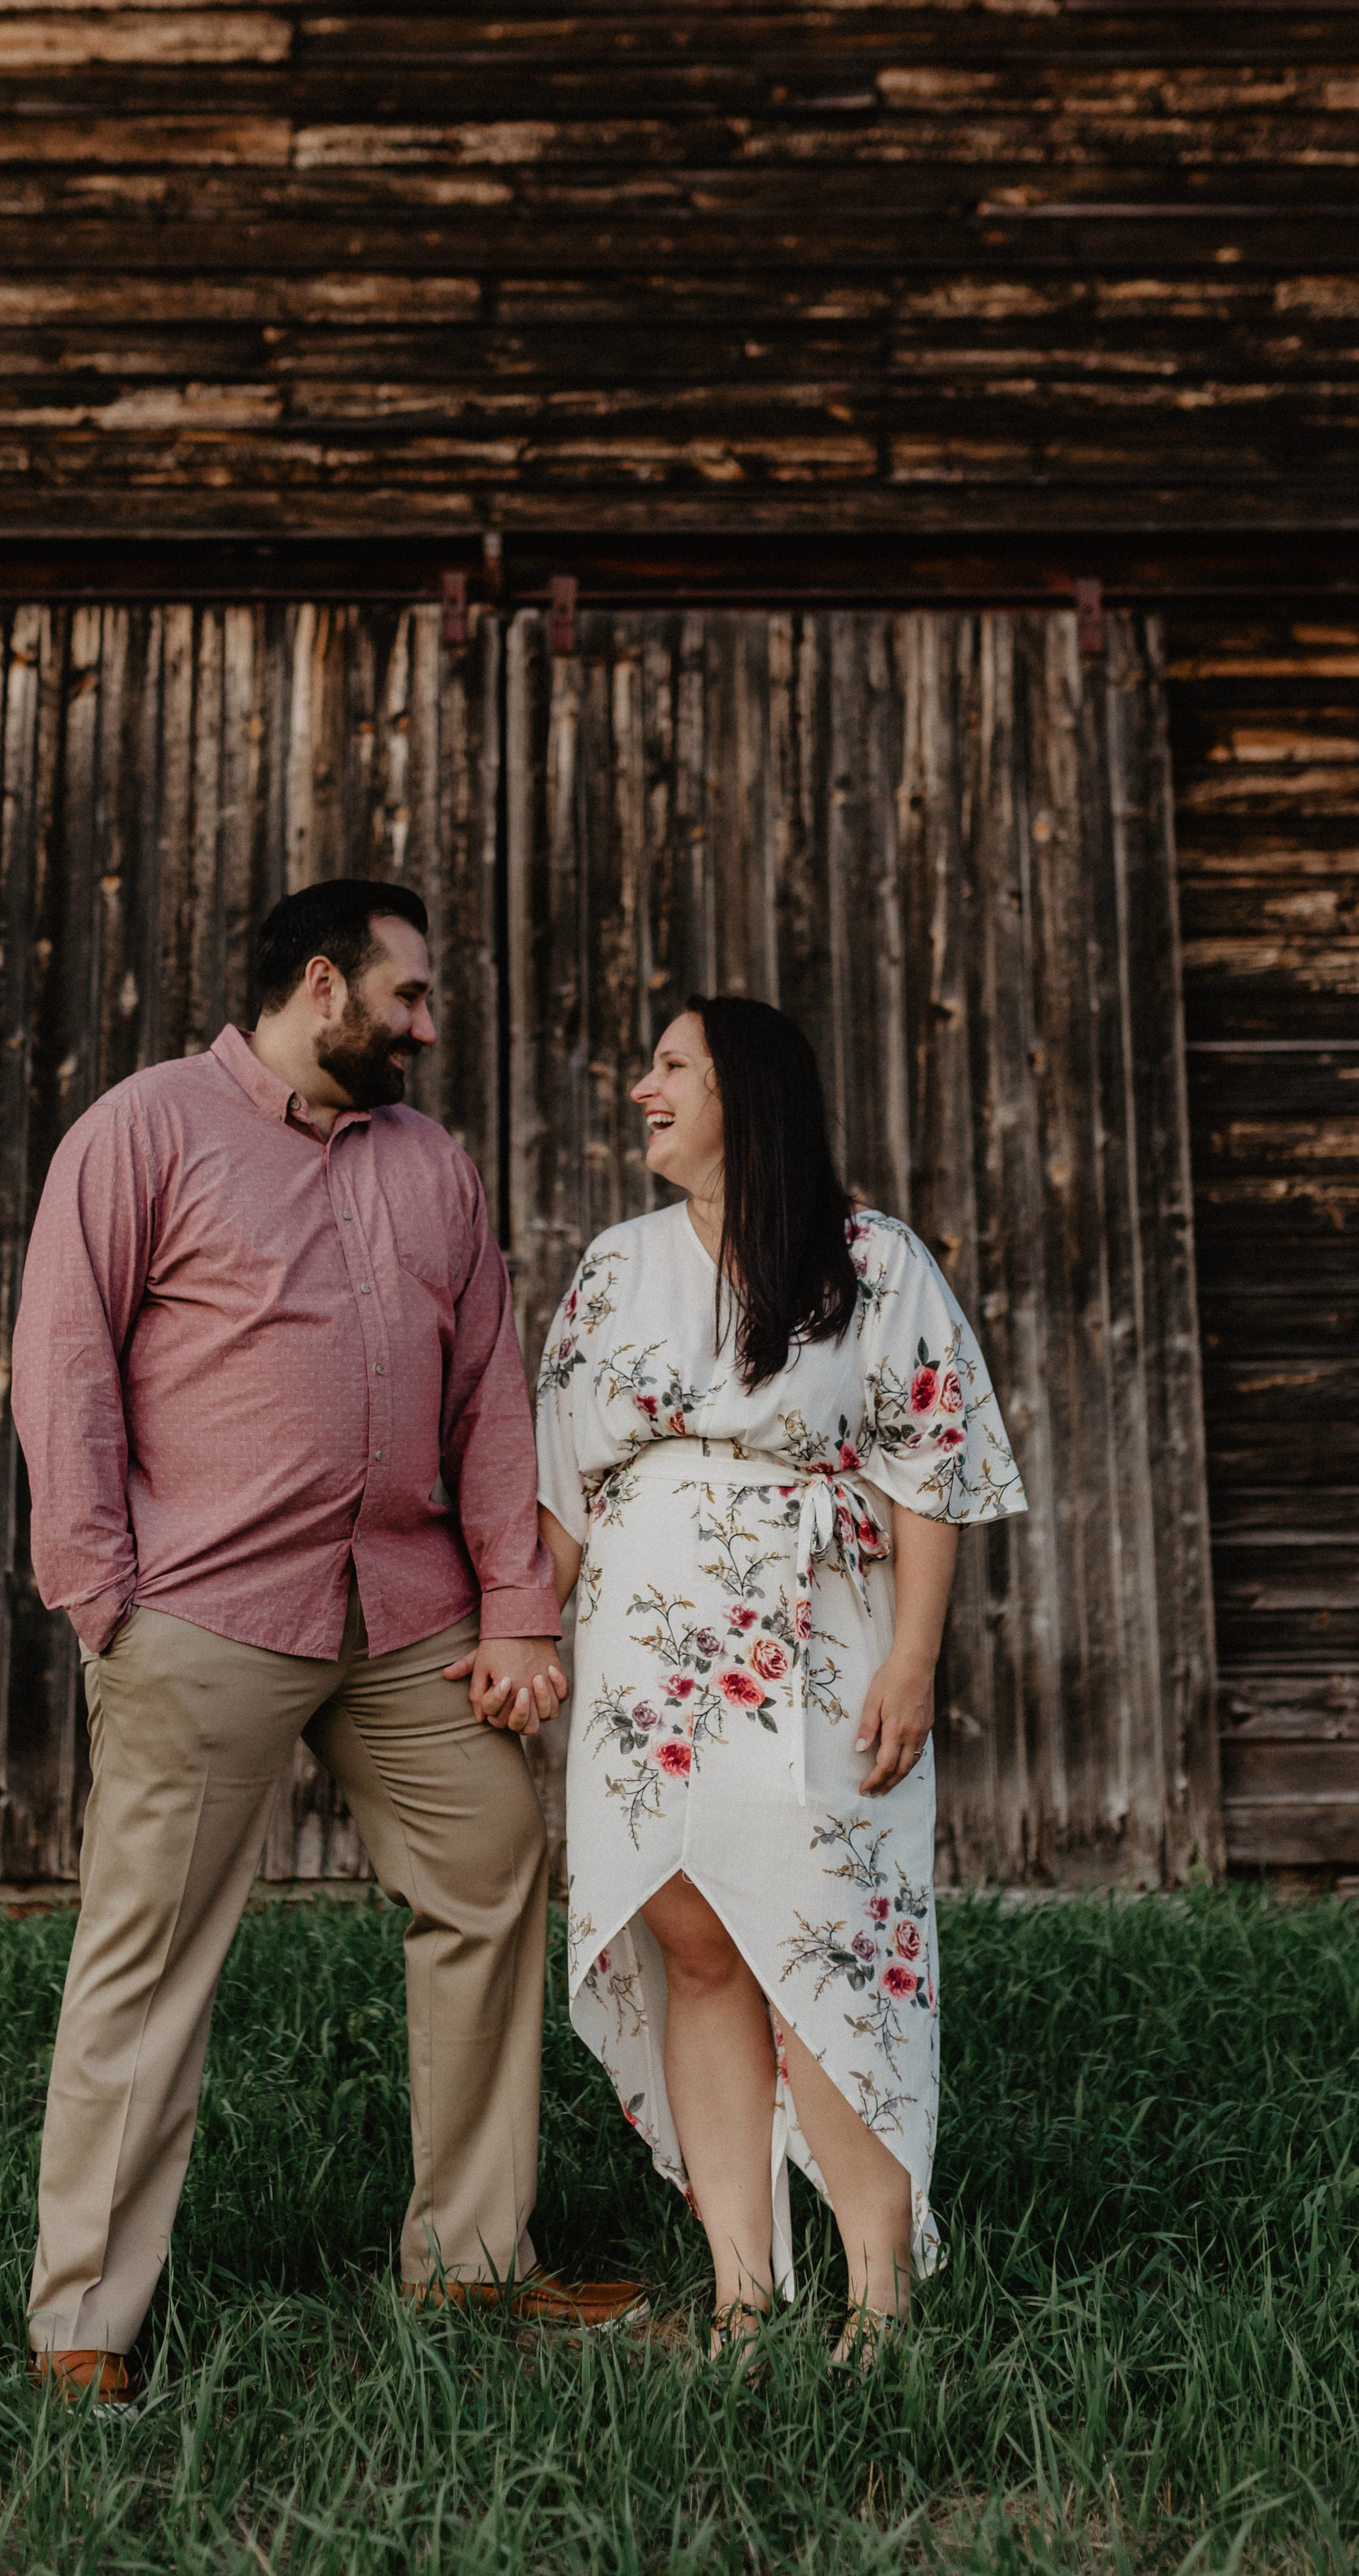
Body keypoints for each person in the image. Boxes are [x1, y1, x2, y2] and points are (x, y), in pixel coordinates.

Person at [12, 878, 641, 2405]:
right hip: (205, 1612)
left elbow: (491, 1388)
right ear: (321, 987)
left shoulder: (434, 1166)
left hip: (407, 1618)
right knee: (146, 1952)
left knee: (491, 1870)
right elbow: (64, 1360)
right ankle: (84, 2322)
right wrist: (106, 1598)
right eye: (409, 997)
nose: (428, 1027)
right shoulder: (145, 1129)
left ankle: (472, 2262)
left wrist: (512, 1605)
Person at [534, 996, 1025, 2361]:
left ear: (742, 1092)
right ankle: (743, 2290)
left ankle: (878, 2289)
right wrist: (522, 1636)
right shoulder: (613, 1267)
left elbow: (930, 1466)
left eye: (671, 1067)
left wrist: (915, 1660)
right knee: (696, 1946)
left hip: (815, 1644)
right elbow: (560, 1493)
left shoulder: (870, 1259)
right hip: (646, 1665)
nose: (643, 1088)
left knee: (827, 1944)